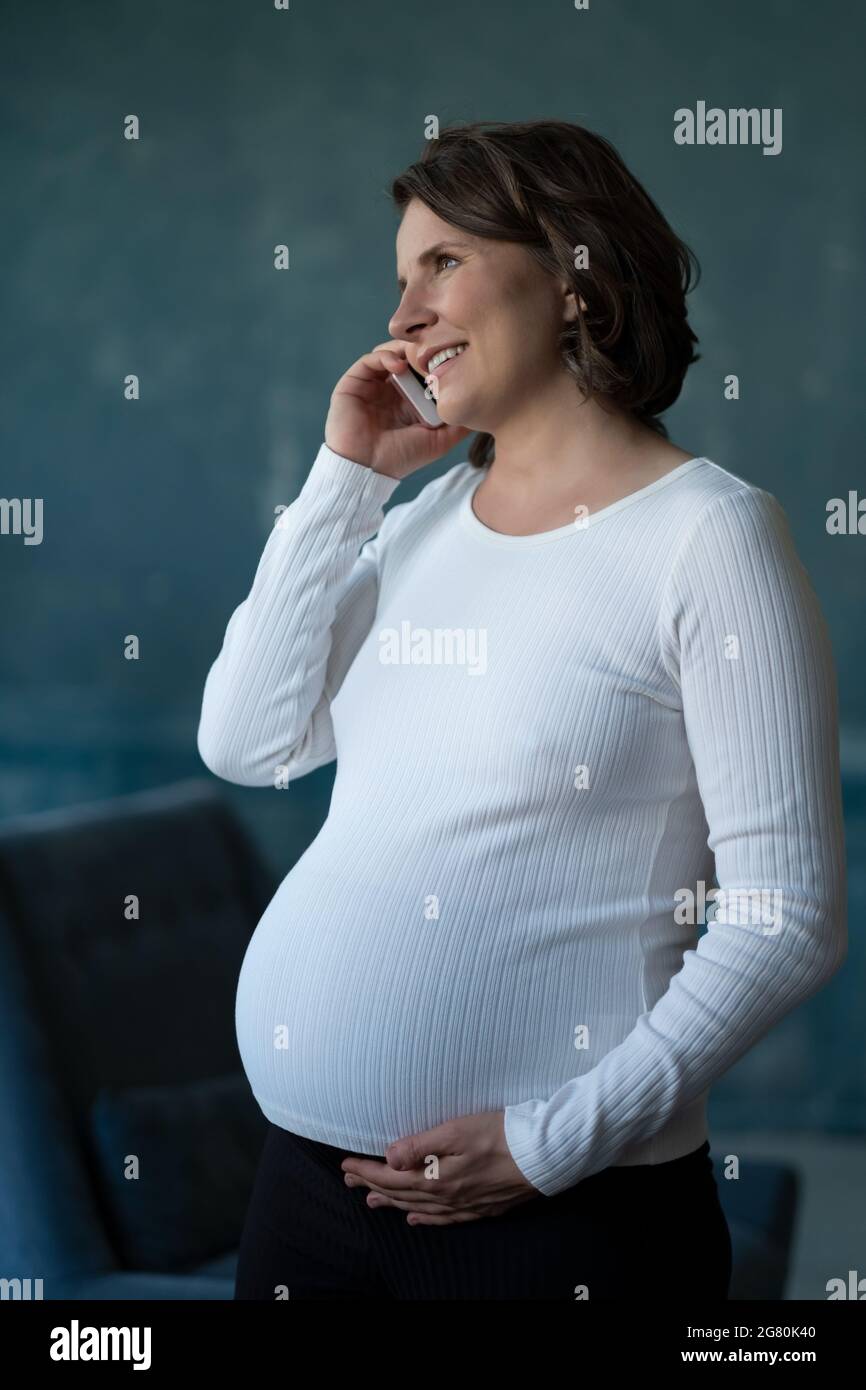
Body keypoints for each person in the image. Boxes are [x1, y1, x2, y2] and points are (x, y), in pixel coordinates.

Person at [196, 120, 847, 1301]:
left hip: (562, 1224)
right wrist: (344, 478)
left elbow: (783, 917)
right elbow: (245, 742)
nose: (402, 314)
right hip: (303, 1195)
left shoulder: (709, 538)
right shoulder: (417, 525)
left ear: (573, 276)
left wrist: (551, 1145)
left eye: (441, 262)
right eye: (399, 277)